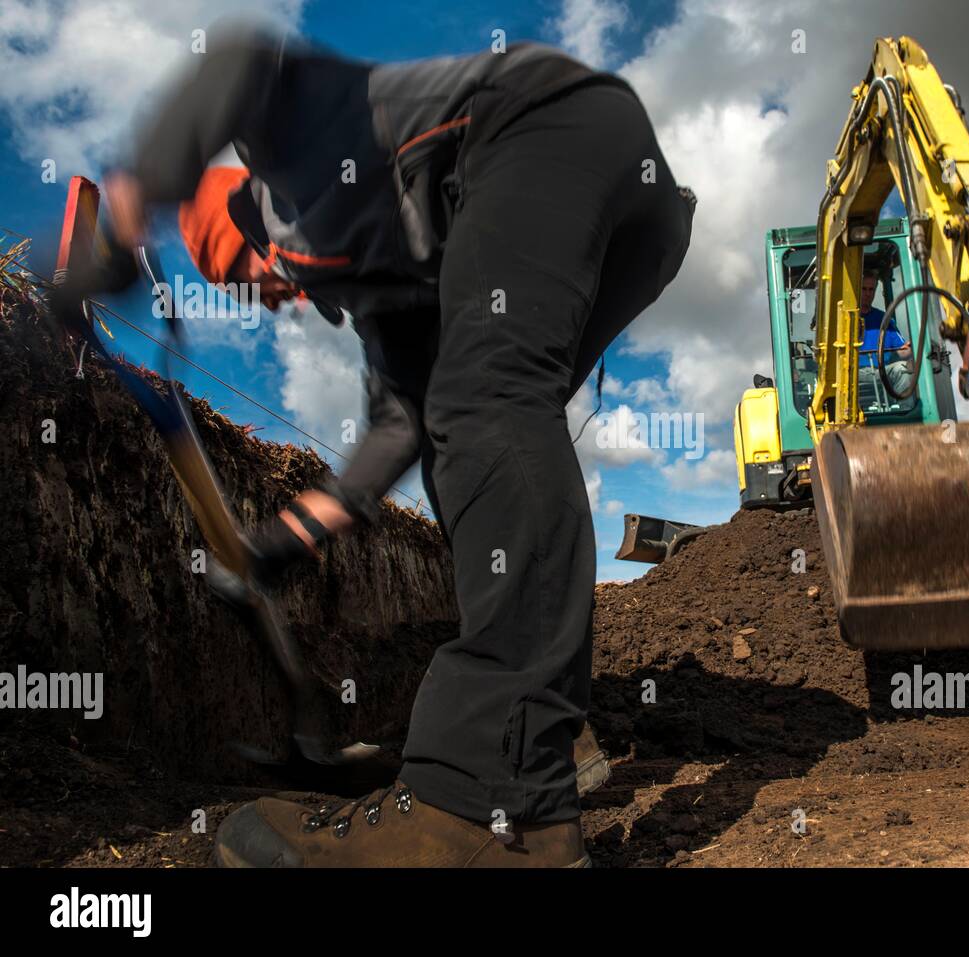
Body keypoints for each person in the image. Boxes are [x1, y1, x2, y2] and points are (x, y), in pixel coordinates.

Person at [104, 22, 693, 868]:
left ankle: (484, 799)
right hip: (631, 216)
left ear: (249, 223)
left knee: (485, 398)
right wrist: (277, 543)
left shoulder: (291, 173)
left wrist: (128, 203)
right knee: (474, 436)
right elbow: (399, 429)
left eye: (245, 276)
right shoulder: (376, 287)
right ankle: (535, 750)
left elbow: (237, 58)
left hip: (544, 129)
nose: (267, 301)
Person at [857, 268, 914, 410]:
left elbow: (901, 351)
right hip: (855, 373)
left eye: (871, 289)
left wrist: (914, 347)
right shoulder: (846, 318)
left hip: (881, 371)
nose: (868, 294)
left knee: (902, 369)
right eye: (864, 289)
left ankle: (905, 414)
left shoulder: (884, 319)